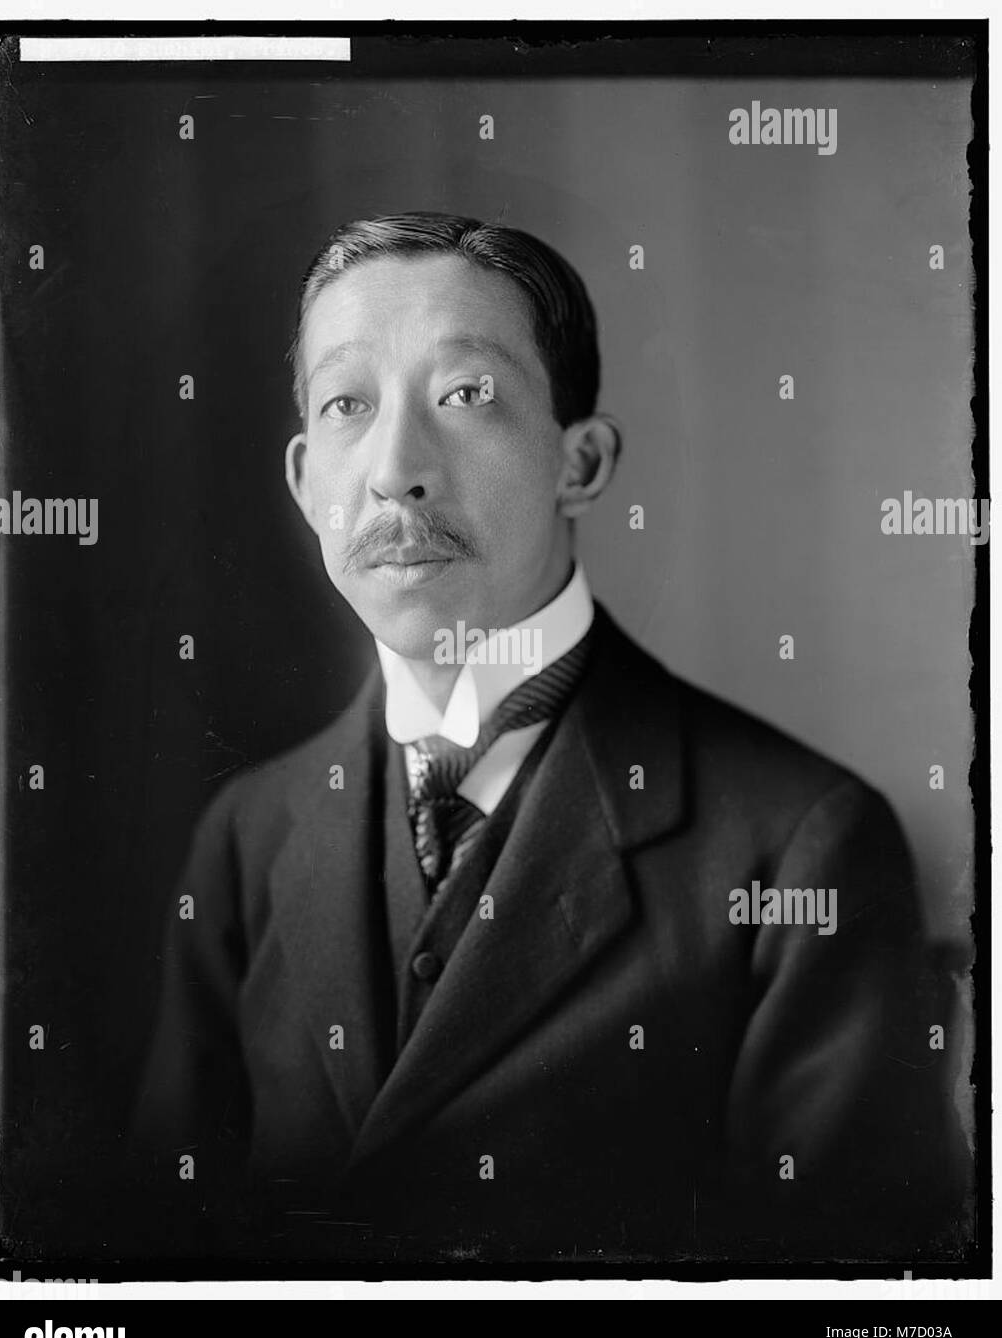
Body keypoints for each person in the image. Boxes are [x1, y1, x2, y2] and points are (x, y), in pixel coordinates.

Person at [134, 212, 967, 1263]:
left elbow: (845, 1307)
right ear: (305, 483)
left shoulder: (799, 842)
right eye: (347, 403)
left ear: (580, 461)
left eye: (465, 395)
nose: (395, 468)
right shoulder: (245, 833)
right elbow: (154, 1252)